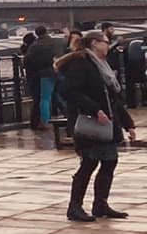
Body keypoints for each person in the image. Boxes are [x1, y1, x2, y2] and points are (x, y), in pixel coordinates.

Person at [61, 30, 136, 220]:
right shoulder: (81, 63)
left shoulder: (102, 64)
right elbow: (70, 91)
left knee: (109, 161)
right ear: (94, 43)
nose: (107, 45)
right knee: (89, 162)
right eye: (105, 41)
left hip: (107, 123)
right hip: (88, 122)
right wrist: (95, 109)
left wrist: (128, 124)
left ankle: (100, 204)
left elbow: (113, 98)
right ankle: (75, 207)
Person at [24, 26, 58, 130]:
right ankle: (68, 119)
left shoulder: (34, 46)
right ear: (46, 31)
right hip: (57, 71)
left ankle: (45, 121)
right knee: (61, 96)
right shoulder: (55, 42)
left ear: (36, 33)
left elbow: (28, 60)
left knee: (45, 99)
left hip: (43, 74)